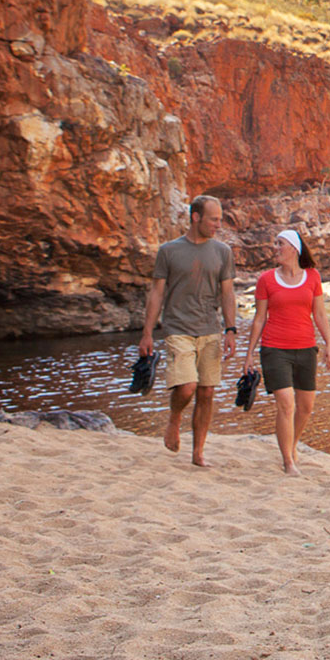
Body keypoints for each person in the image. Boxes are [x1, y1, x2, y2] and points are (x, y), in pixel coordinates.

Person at [138, 194, 237, 467]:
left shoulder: (222, 252)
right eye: (214, 219)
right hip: (177, 328)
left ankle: (198, 452)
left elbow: (228, 293)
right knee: (188, 387)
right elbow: (157, 292)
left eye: (219, 219)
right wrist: (147, 332)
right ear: (196, 217)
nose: (218, 224)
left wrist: (231, 329)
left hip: (210, 328)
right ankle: (174, 417)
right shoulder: (169, 251)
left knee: (206, 392)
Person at [243, 228, 330, 475]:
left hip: (306, 348)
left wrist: (329, 344)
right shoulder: (266, 280)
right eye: (275, 243)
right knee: (286, 404)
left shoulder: (313, 277)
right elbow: (259, 319)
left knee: (305, 406)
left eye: (280, 243)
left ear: (294, 248)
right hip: (274, 349)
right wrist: (249, 353)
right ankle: (288, 461)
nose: (276, 248)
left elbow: (320, 314)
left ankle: (292, 444)